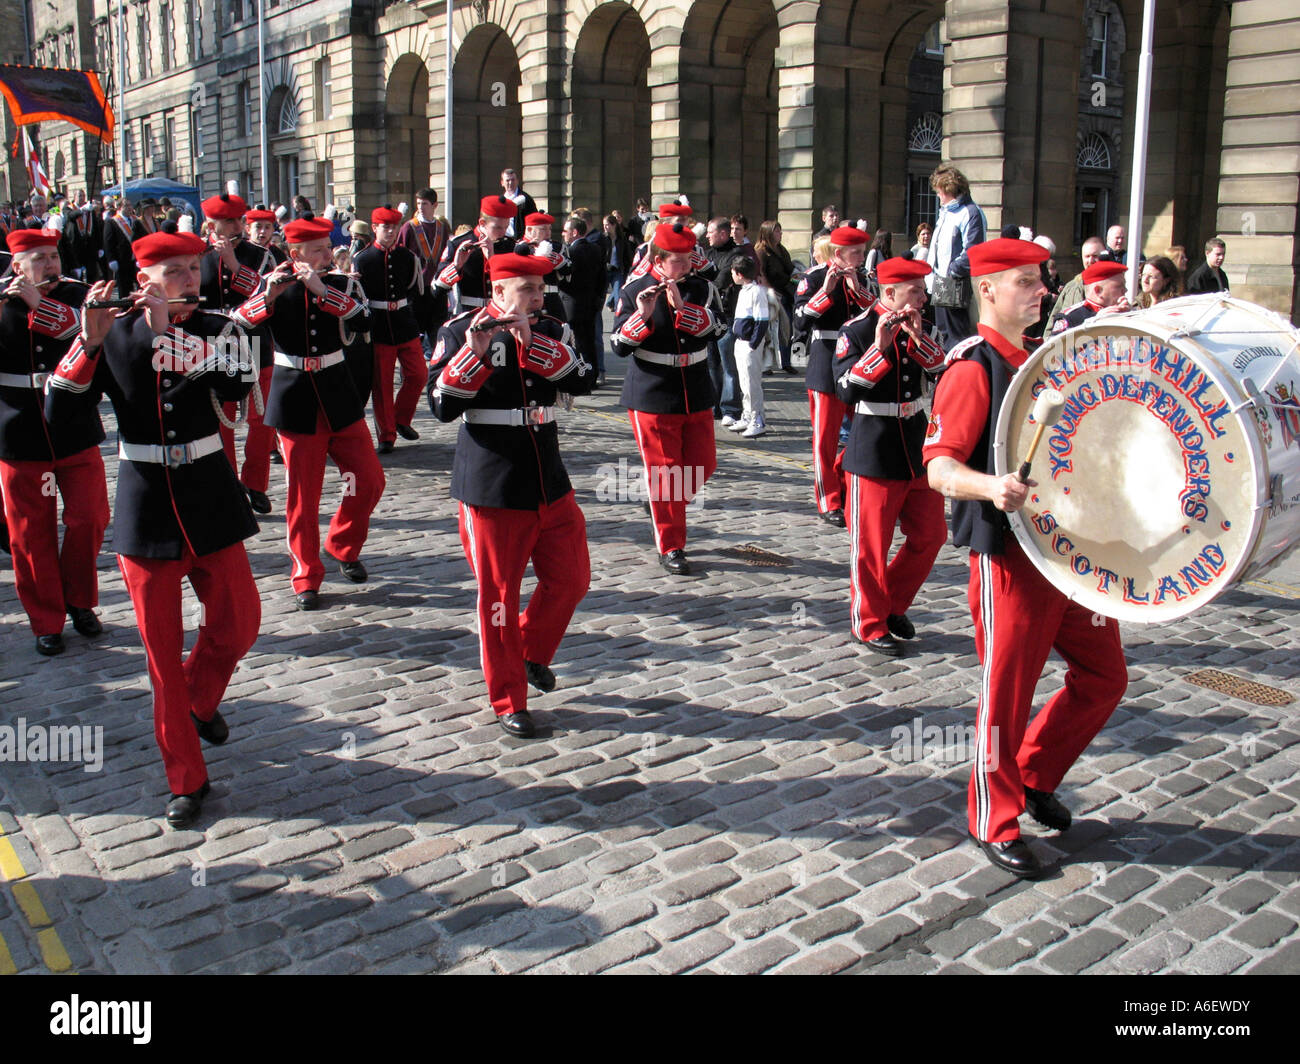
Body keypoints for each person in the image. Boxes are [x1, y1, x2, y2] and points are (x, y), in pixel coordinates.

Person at [923, 236, 1127, 878]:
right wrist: (989, 486)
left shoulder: (1047, 357)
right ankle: (993, 815)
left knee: (1105, 676)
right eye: (1027, 283)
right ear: (988, 290)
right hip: (1010, 558)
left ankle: (1034, 775)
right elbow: (939, 467)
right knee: (1005, 694)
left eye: (1042, 280)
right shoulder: (972, 367)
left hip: (1069, 551)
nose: (1043, 291)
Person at [48, 233, 262, 830]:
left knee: (241, 620)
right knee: (162, 656)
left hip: (211, 497)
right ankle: (185, 778)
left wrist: (172, 331)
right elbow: (61, 411)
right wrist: (89, 343)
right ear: (143, 277)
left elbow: (237, 386)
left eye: (193, 268)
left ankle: (196, 703)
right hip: (145, 504)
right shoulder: (109, 331)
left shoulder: (220, 327)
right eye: (174, 272)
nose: (190, 279)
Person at [428, 249, 593, 738]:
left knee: (572, 577)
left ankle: (529, 652)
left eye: (541, 289)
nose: (538, 297)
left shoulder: (552, 329)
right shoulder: (460, 330)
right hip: (492, 479)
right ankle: (508, 698)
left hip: (548, 470)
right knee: (498, 598)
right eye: (527, 289)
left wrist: (534, 347)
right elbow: (440, 406)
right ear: (499, 292)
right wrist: (475, 355)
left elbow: (584, 380)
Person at [233, 217, 385, 611]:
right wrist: (268, 296)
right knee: (303, 498)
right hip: (295, 398)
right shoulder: (272, 284)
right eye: (317, 250)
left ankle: (342, 544)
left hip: (338, 392)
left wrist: (320, 290)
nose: (326, 254)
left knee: (368, 479)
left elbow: (364, 320)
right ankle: (305, 574)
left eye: (326, 247)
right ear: (295, 253)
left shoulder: (341, 283)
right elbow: (238, 324)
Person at [0, 229, 109, 656]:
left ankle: (79, 599)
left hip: (73, 424)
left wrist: (38, 304)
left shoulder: (79, 295)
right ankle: (46, 618)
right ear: (17, 265)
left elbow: (84, 334)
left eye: (53, 256)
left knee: (90, 517)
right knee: (30, 533)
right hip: (19, 427)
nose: (50, 265)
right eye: (39, 258)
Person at [834, 254, 947, 657]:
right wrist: (880, 349)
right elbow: (846, 390)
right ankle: (868, 622)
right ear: (889, 293)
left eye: (922, 290)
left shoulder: (925, 326)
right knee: (871, 546)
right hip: (874, 448)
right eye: (915, 291)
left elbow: (942, 373)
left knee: (931, 535)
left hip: (916, 443)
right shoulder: (859, 329)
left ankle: (892, 603)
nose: (923, 297)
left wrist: (920, 341)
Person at [612, 221, 724, 575]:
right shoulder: (634, 290)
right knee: (665, 473)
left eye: (688, 258)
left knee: (704, 463)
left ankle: (664, 504)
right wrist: (643, 316)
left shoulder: (703, 289)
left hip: (695, 385)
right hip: (653, 389)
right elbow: (618, 345)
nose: (685, 265)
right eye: (676, 260)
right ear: (658, 259)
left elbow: (720, 329)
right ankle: (671, 544)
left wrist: (684, 309)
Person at [199, 192, 278, 515]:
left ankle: (255, 482)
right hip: (214, 343)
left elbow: (265, 293)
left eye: (237, 220)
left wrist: (233, 263)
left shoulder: (259, 255)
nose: (235, 226)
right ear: (210, 225)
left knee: (261, 420)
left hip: (253, 339)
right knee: (224, 419)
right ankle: (229, 483)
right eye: (227, 221)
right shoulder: (197, 255)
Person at [793, 225, 873, 527]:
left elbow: (876, 314)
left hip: (856, 365)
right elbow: (800, 319)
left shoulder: (862, 278)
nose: (860, 259)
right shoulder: (813, 278)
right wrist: (826, 292)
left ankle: (846, 480)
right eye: (856, 254)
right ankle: (828, 499)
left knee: (863, 431)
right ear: (838, 254)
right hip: (825, 365)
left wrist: (859, 290)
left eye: (862, 253)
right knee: (825, 440)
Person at [354, 206, 426, 455]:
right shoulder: (363, 259)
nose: (391, 231)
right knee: (382, 383)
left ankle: (401, 418)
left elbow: (414, 291)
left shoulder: (407, 257)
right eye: (385, 227)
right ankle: (387, 435)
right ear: (375, 228)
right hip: (379, 324)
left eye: (394, 227)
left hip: (404, 322)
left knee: (419, 374)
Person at [924, 162, 985, 348]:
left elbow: (973, 250)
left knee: (955, 336)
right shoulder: (947, 212)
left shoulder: (970, 212)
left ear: (948, 188)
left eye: (939, 191)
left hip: (953, 282)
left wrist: (952, 272)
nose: (937, 195)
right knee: (943, 334)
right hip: (940, 281)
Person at [435, 196, 517, 316]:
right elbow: (437, 289)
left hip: (500, 315)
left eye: (506, 227)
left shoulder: (510, 246)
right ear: (482, 223)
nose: (503, 232)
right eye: (498, 227)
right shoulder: (458, 244)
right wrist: (456, 266)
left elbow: (514, 284)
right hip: (469, 315)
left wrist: (492, 259)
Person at [398, 188, 451, 347]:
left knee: (438, 334)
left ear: (435, 205)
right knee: (416, 336)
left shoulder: (442, 228)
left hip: (437, 289)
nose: (421, 207)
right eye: (419, 203)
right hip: (417, 289)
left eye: (425, 203)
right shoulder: (409, 227)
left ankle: (436, 369)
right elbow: (400, 253)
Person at [559, 215, 605, 384]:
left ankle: (581, 379)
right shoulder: (596, 249)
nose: (563, 234)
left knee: (577, 344)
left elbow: (565, 278)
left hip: (572, 304)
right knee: (590, 341)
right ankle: (592, 376)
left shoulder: (570, 252)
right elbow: (603, 277)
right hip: (591, 303)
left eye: (566, 230)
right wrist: (599, 297)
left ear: (575, 232)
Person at [728, 255, 769, 438]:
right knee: (744, 382)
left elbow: (762, 321)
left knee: (752, 384)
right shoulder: (744, 290)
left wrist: (753, 343)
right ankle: (746, 414)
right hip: (740, 341)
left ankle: (757, 418)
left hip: (749, 344)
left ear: (739, 273)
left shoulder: (757, 292)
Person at [754, 220, 796, 373]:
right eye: (777, 231)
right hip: (770, 294)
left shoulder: (781, 250)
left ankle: (785, 361)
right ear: (768, 233)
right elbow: (761, 273)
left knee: (786, 327)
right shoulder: (761, 251)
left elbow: (790, 268)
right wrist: (770, 293)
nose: (780, 234)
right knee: (768, 330)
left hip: (785, 292)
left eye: (780, 231)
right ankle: (766, 364)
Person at [1049, 259, 1131, 333]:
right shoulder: (1070, 318)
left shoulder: (1125, 312)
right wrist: (1096, 321)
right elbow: (1057, 348)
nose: (1125, 290)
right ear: (1098, 291)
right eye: (1119, 286)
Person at [1047, 235, 1105, 324]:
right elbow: (1053, 321)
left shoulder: (1112, 287)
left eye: (1095, 256)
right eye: (1087, 256)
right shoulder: (1071, 286)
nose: (1090, 260)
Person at [499, 169, 537, 239]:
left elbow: (534, 221)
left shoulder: (526, 199)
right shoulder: (500, 201)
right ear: (502, 183)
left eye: (513, 180)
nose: (510, 183)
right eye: (507, 180)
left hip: (519, 240)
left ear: (517, 181)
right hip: (503, 239)